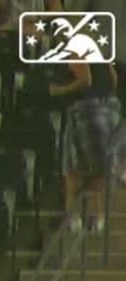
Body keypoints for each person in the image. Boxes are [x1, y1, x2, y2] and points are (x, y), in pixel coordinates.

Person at [51, 51, 121, 232]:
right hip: (110, 110)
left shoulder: (76, 52)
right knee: (95, 168)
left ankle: (77, 219)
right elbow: (114, 80)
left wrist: (57, 90)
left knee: (76, 169)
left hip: (86, 111)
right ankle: (95, 219)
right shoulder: (101, 56)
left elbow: (85, 80)